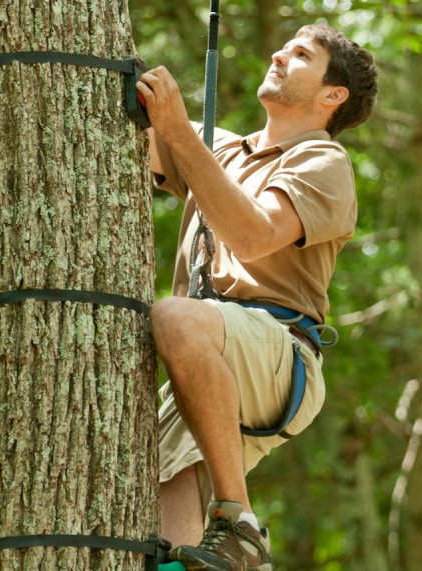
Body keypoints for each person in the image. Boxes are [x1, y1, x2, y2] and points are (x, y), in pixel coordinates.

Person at [136, 23, 378, 571]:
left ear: (331, 95)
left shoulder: (323, 161)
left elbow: (252, 236)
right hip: (205, 357)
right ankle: (225, 547)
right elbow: (139, 122)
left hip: (277, 351)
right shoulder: (225, 150)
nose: (279, 54)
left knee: (174, 315)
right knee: (169, 540)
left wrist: (180, 133)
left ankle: (239, 521)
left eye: (300, 54)